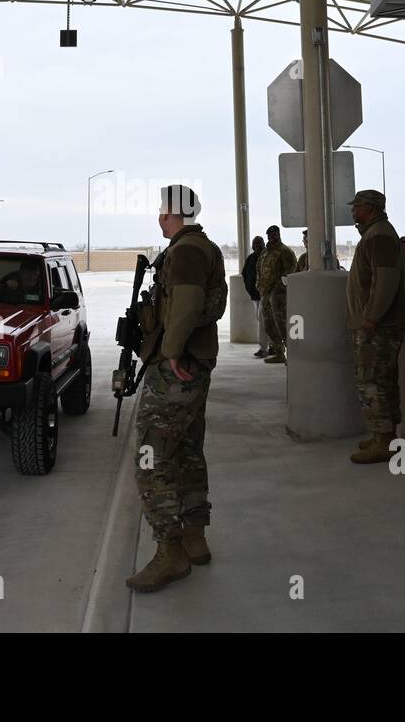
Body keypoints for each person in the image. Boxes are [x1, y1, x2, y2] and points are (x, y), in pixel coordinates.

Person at [126, 184, 228, 593]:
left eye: (162, 211)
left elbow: (185, 303)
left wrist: (169, 352)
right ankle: (195, 537)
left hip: (177, 367)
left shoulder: (185, 250)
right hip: (193, 362)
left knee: (150, 456)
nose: (158, 217)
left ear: (173, 214)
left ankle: (170, 552)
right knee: (186, 449)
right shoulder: (204, 247)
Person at [345, 190, 405, 464]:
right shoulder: (375, 233)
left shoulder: (380, 235)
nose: (353, 211)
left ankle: (383, 441)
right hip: (376, 324)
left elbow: (385, 279)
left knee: (373, 381)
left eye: (357, 206)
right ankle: (382, 436)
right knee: (379, 380)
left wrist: (371, 317)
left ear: (370, 208)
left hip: (379, 327)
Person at [256, 224, 297, 363]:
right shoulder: (265, 252)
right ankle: (279, 352)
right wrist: (259, 285)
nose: (271, 236)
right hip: (265, 293)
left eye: (274, 234)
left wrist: (277, 287)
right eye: (269, 234)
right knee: (268, 325)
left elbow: (290, 271)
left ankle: (293, 355)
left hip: (278, 295)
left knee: (282, 325)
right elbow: (259, 270)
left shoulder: (285, 251)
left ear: (279, 234)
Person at [242, 235, 268, 356]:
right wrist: (249, 288)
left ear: (263, 244)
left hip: (265, 294)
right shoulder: (251, 258)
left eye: (259, 243)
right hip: (254, 295)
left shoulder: (267, 257)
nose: (257, 246)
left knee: (264, 321)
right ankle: (268, 346)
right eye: (255, 244)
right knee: (260, 319)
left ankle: (266, 347)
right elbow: (245, 274)